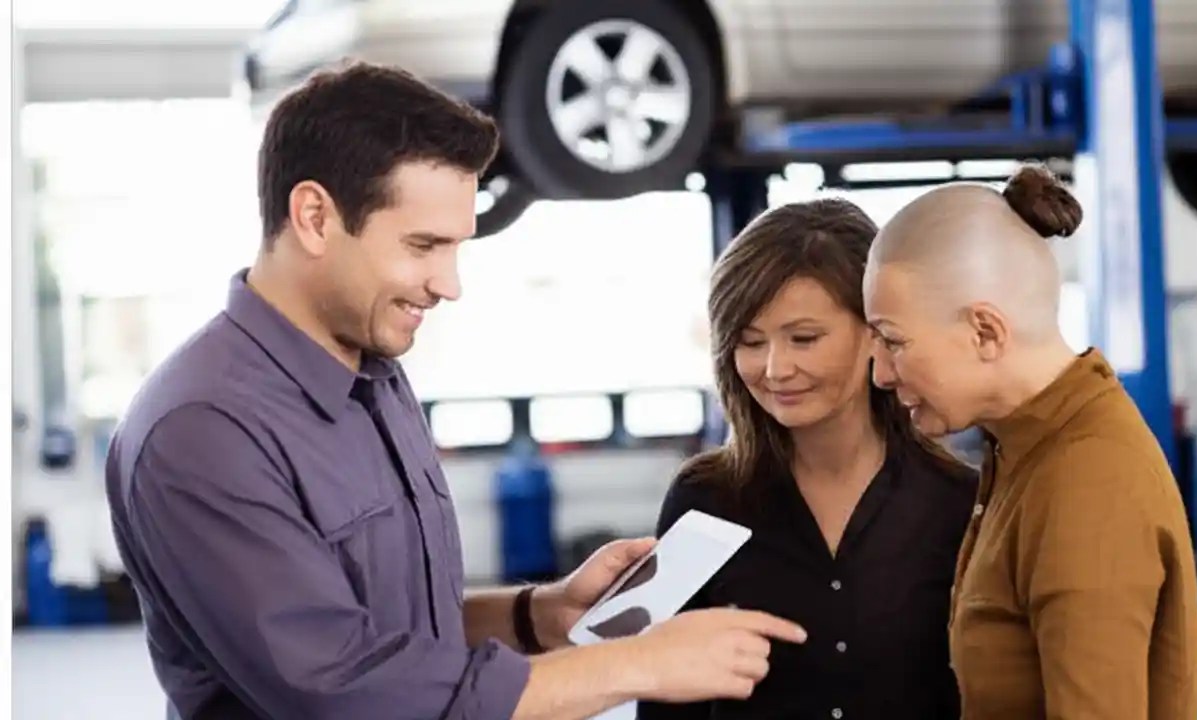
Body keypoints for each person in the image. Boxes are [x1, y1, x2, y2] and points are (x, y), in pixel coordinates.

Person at [104, 61, 807, 720]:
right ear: (315, 217)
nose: (449, 284)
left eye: (456, 247)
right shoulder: (201, 432)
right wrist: (638, 665)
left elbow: (406, 634)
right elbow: (348, 692)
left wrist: (541, 613)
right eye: (423, 246)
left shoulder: (374, 373)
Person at [862, 164, 1197, 719]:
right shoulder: (1026, 450)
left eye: (893, 341)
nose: (879, 372)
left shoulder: (1087, 484)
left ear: (985, 332)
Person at [638, 198, 978, 720]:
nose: (775, 369)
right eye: (751, 342)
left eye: (803, 339)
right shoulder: (704, 500)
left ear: (875, 332)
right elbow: (662, 701)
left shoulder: (957, 502)